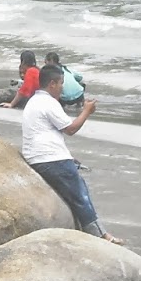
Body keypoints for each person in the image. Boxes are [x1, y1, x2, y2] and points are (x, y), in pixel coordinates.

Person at [21, 65, 122, 244]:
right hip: (49, 158)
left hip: (37, 156)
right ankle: (100, 235)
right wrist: (86, 111)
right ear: (52, 84)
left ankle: (86, 227)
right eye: (61, 83)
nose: (62, 87)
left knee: (75, 180)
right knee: (79, 193)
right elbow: (71, 129)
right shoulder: (49, 103)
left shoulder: (33, 101)